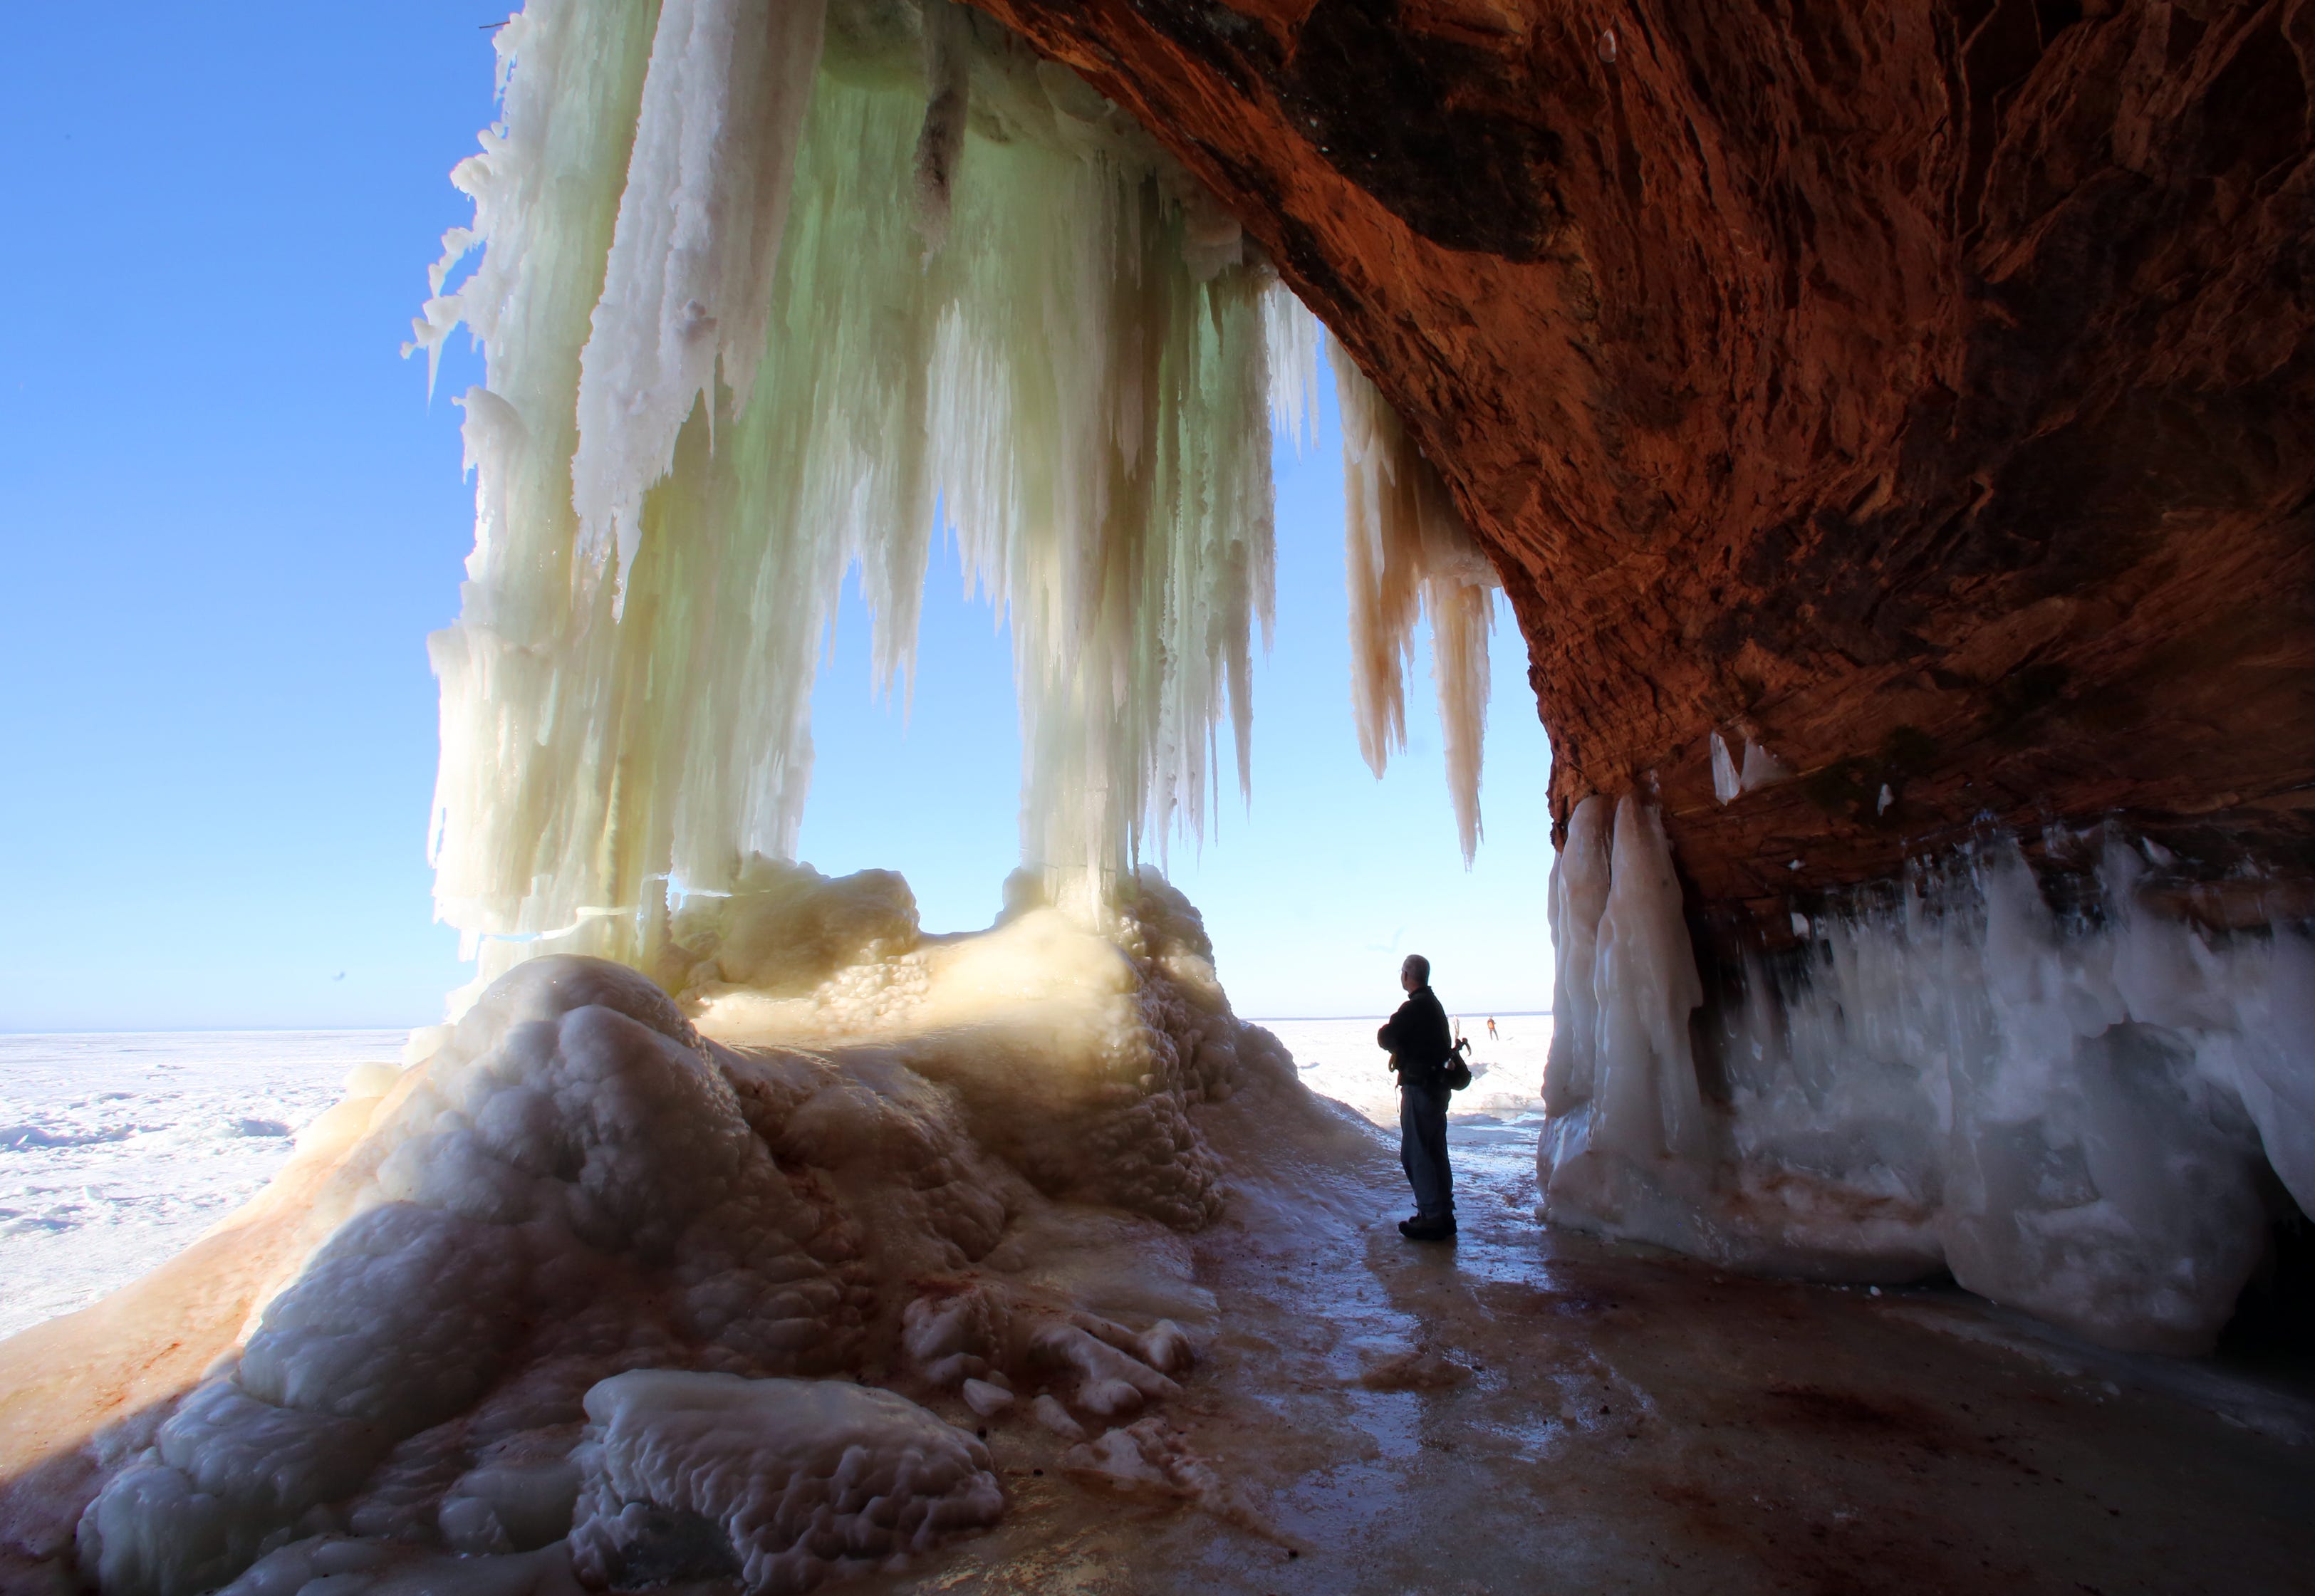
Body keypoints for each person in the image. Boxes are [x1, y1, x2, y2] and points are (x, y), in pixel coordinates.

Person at [1377, 953, 1455, 1241]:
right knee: (1434, 1150)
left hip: (1420, 1087)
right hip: (1436, 1087)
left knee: (1416, 1153)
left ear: (1407, 976)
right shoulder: (1434, 1005)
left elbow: (1387, 1036)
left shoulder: (1415, 1007)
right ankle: (1442, 1213)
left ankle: (1432, 1216)